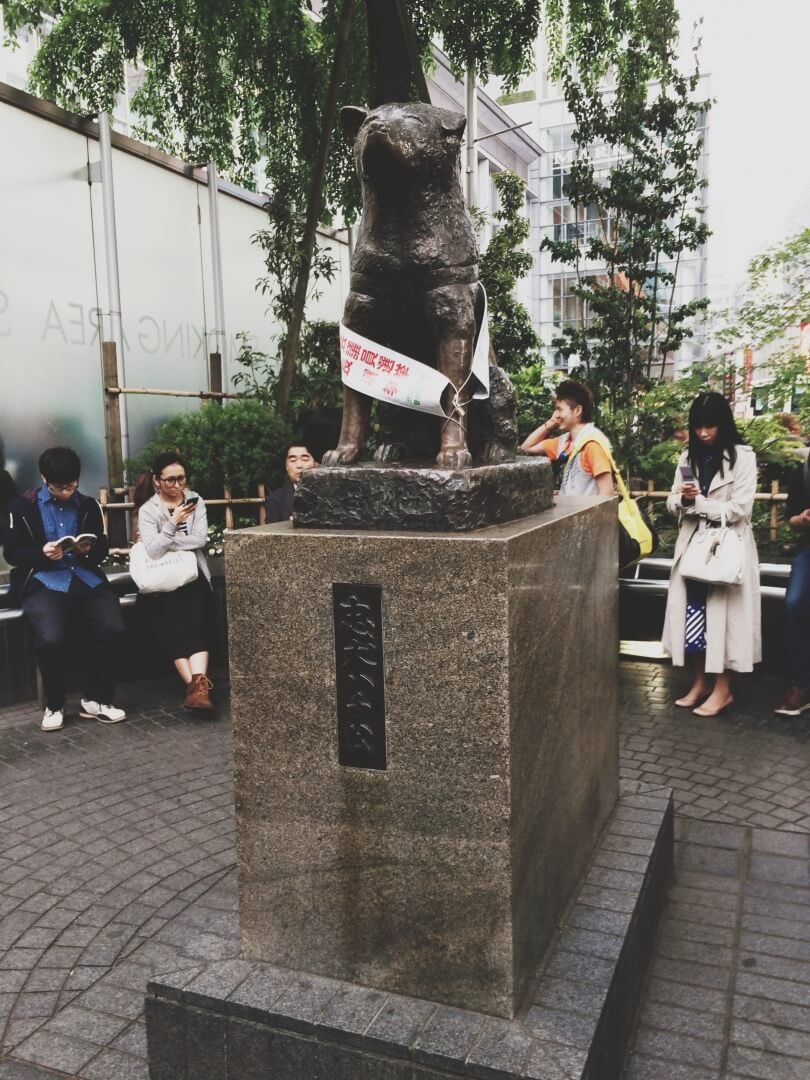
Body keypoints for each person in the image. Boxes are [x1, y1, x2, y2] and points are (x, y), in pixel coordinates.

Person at [5, 446, 126, 731]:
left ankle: (97, 699)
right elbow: (12, 553)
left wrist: (88, 550)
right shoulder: (22, 507)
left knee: (113, 628)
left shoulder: (88, 505)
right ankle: (55, 704)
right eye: (60, 487)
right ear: (45, 479)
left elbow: (102, 549)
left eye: (71, 486)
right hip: (44, 580)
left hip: (85, 577)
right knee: (51, 638)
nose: (66, 492)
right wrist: (41, 553)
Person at [662, 392, 761, 716]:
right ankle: (700, 681)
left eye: (710, 426)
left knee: (724, 619)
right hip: (694, 544)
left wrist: (699, 503)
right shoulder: (688, 456)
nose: (704, 433)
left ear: (723, 425)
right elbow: (672, 501)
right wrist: (684, 500)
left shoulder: (742, 457)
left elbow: (740, 509)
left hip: (727, 546)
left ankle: (723, 688)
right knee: (695, 615)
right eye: (698, 427)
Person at [133, 452, 214, 711]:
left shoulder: (195, 500)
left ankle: (198, 688)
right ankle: (197, 688)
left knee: (196, 625)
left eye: (181, 479)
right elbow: (154, 552)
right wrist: (173, 523)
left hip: (193, 574)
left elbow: (200, 539)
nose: (178, 485)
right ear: (157, 481)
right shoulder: (148, 510)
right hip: (164, 580)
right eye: (170, 480)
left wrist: (164, 541)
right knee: (174, 627)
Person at [519, 380, 614, 496]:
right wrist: (549, 424)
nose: (556, 415)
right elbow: (525, 448)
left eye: (560, 409)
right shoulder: (563, 442)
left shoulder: (592, 444)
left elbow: (607, 493)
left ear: (577, 411)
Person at [774, 452, 810, 715]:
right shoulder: (803, 472)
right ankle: (799, 684)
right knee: (794, 604)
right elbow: (792, 520)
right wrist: (803, 519)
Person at [264, 442, 318, 523]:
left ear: (316, 464)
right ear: (286, 467)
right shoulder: (275, 500)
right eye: (293, 460)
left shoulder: (328, 497)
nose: (299, 465)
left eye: (305, 459)